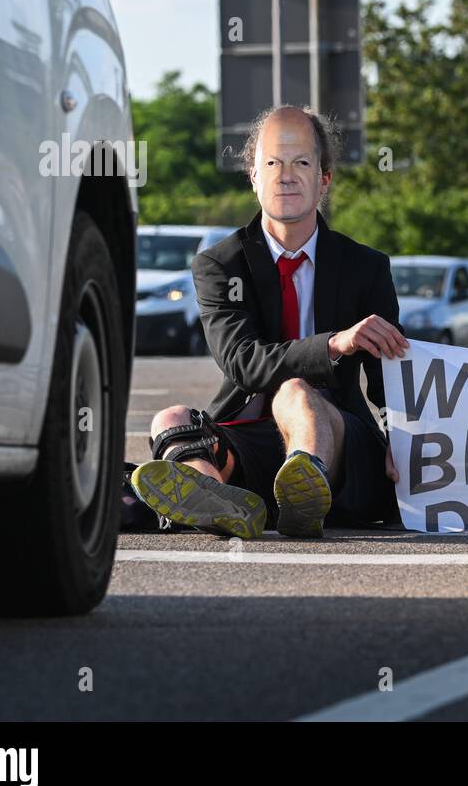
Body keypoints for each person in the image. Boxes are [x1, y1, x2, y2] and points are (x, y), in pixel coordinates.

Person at [128, 105, 410, 538]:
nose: (286, 175)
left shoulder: (365, 267)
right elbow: (243, 362)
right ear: (254, 177)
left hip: (338, 442)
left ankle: (305, 488)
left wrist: (403, 438)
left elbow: (389, 372)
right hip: (250, 438)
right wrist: (334, 344)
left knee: (296, 393)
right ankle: (218, 499)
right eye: (273, 163)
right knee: (171, 419)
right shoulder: (219, 265)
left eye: (302, 163)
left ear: (324, 178)